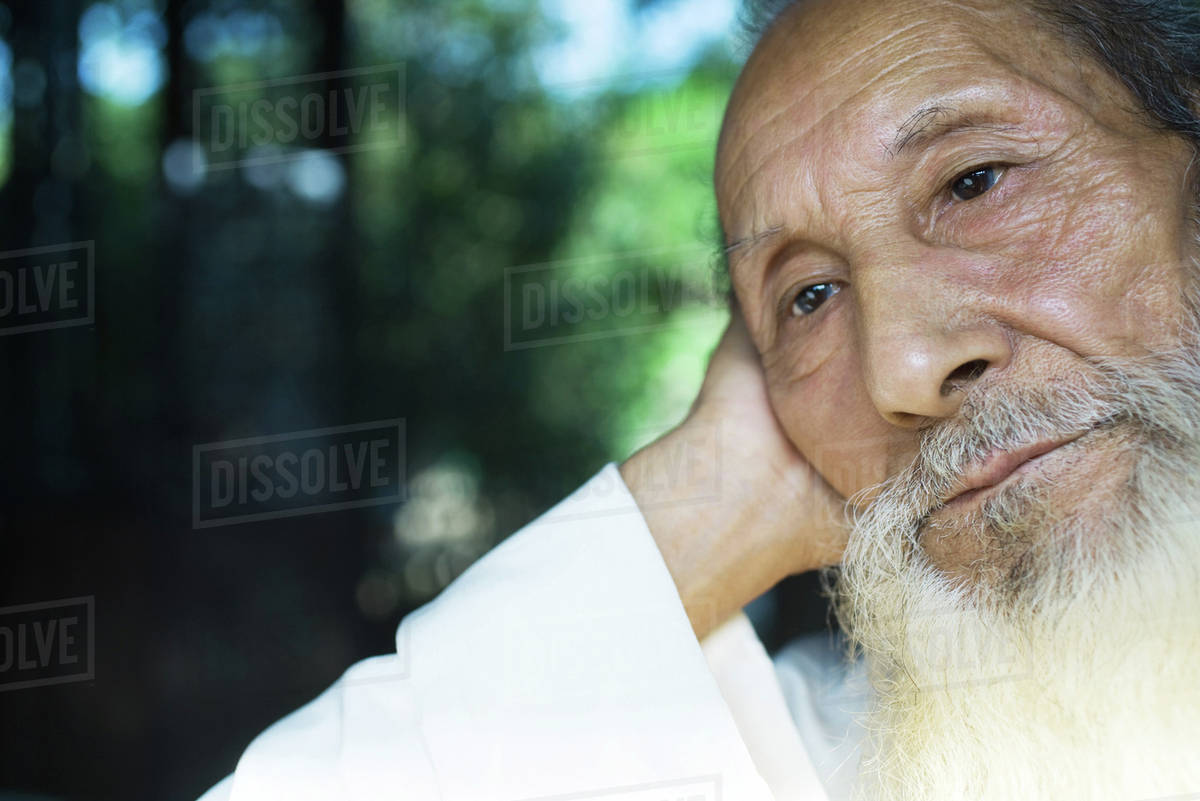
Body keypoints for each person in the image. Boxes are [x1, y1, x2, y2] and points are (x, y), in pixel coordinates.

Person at [199, 0, 1200, 798]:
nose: (898, 369)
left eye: (976, 181)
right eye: (809, 296)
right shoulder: (839, 757)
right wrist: (717, 496)